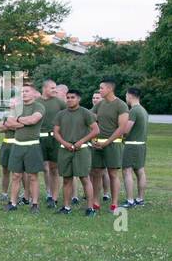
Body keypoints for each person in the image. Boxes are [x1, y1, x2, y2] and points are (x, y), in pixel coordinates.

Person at [52, 90, 99, 216]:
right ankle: (66, 207)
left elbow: (96, 130)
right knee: (67, 179)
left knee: (84, 178)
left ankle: (90, 208)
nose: (69, 100)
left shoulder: (85, 113)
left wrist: (81, 141)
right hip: (65, 149)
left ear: (79, 99)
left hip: (81, 149)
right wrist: (65, 143)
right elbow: (55, 132)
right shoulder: (61, 114)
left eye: (72, 97)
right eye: (67, 97)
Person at [2, 82, 45, 212]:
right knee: (15, 175)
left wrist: (18, 119)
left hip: (32, 145)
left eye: (27, 91)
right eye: (22, 91)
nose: (24, 93)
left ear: (34, 93)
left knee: (33, 176)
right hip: (17, 145)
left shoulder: (39, 106)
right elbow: (9, 123)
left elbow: (33, 120)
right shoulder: (17, 106)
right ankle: (12, 203)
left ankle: (35, 204)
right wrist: (23, 121)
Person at [89, 80, 127, 215]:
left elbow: (122, 128)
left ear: (110, 88)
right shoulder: (99, 104)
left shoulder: (121, 105)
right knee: (96, 173)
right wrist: (92, 138)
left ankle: (114, 203)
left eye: (101, 88)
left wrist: (107, 142)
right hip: (97, 143)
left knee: (112, 174)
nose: (99, 91)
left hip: (113, 143)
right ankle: (95, 202)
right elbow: (90, 119)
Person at [119, 86, 148, 208]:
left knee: (127, 171)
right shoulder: (143, 110)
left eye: (126, 96)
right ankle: (140, 199)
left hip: (132, 145)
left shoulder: (134, 111)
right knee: (140, 171)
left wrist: (119, 136)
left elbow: (126, 130)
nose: (126, 98)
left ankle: (130, 200)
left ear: (130, 96)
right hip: (141, 145)